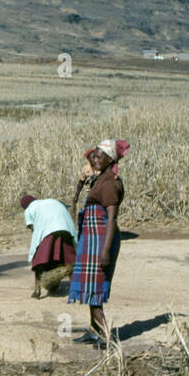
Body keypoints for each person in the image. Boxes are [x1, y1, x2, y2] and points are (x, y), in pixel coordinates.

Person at [68, 139, 126, 343]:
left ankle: (105, 335)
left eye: (100, 156)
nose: (95, 158)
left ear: (110, 159)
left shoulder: (110, 183)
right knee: (90, 286)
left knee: (95, 288)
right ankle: (95, 331)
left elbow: (111, 218)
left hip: (100, 239)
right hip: (92, 237)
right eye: (94, 155)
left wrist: (105, 250)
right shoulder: (101, 179)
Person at [20, 194, 78, 298]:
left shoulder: (29, 210)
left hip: (48, 232)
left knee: (38, 261)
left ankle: (37, 290)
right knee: (69, 260)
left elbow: (34, 229)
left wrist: (34, 249)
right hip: (66, 229)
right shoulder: (52, 201)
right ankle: (75, 290)